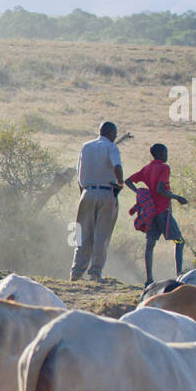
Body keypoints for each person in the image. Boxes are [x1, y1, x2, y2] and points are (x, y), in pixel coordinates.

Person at [125, 143, 188, 286]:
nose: (167, 155)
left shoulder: (147, 168)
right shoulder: (164, 168)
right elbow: (160, 190)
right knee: (179, 241)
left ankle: (149, 279)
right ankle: (180, 275)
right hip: (162, 210)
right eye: (165, 152)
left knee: (150, 243)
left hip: (151, 211)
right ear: (160, 153)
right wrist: (177, 197)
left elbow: (128, 181)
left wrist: (140, 193)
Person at [69, 121, 123, 282]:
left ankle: (76, 272)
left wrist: (83, 193)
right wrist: (120, 184)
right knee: (102, 235)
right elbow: (117, 166)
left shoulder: (86, 146)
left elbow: (80, 173)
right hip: (106, 192)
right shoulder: (112, 147)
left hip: (86, 192)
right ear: (111, 133)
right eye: (115, 133)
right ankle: (95, 272)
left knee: (81, 234)